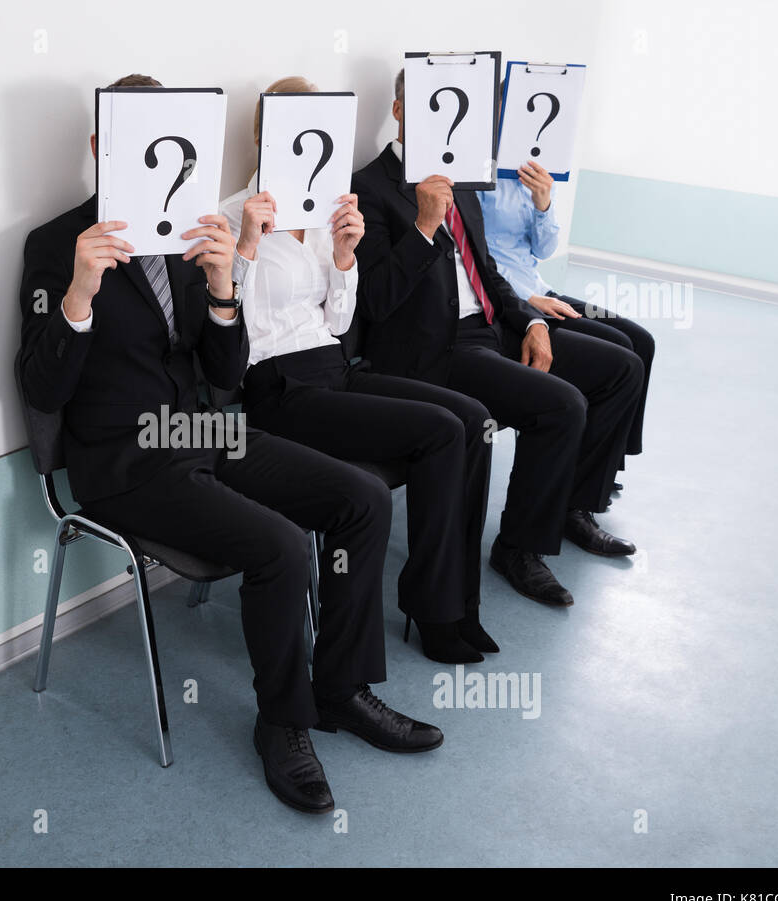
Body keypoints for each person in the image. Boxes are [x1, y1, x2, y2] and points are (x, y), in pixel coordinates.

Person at [18, 74, 443, 816]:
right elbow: (43, 390)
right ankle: (283, 722)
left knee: (363, 498)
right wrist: (78, 296)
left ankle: (341, 688)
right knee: (278, 545)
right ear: (101, 147)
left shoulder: (190, 234)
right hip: (124, 456)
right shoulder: (57, 245)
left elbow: (221, 374)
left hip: (204, 431)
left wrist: (221, 290)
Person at [220, 75, 497, 664]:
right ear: (267, 137)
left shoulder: (324, 216)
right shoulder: (226, 217)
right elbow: (223, 332)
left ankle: (450, 601)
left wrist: (344, 257)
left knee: (470, 418)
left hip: (335, 366)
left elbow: (342, 321)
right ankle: (437, 614)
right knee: (440, 430)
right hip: (278, 386)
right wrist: (245, 244)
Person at [352, 68, 645, 608]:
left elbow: (486, 268)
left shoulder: (460, 179)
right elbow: (372, 302)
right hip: (436, 350)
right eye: (424, 109)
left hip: (494, 326)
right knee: (561, 406)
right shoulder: (368, 188)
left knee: (621, 366)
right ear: (398, 112)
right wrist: (421, 227)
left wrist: (531, 321)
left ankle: (571, 509)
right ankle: (518, 548)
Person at [479, 161, 655, 477]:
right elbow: (474, 254)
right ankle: (590, 475)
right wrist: (526, 298)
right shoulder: (479, 176)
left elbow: (544, 250)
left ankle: (608, 462)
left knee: (641, 340)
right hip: (514, 298)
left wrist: (543, 202)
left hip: (541, 289)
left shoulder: (533, 175)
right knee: (620, 350)